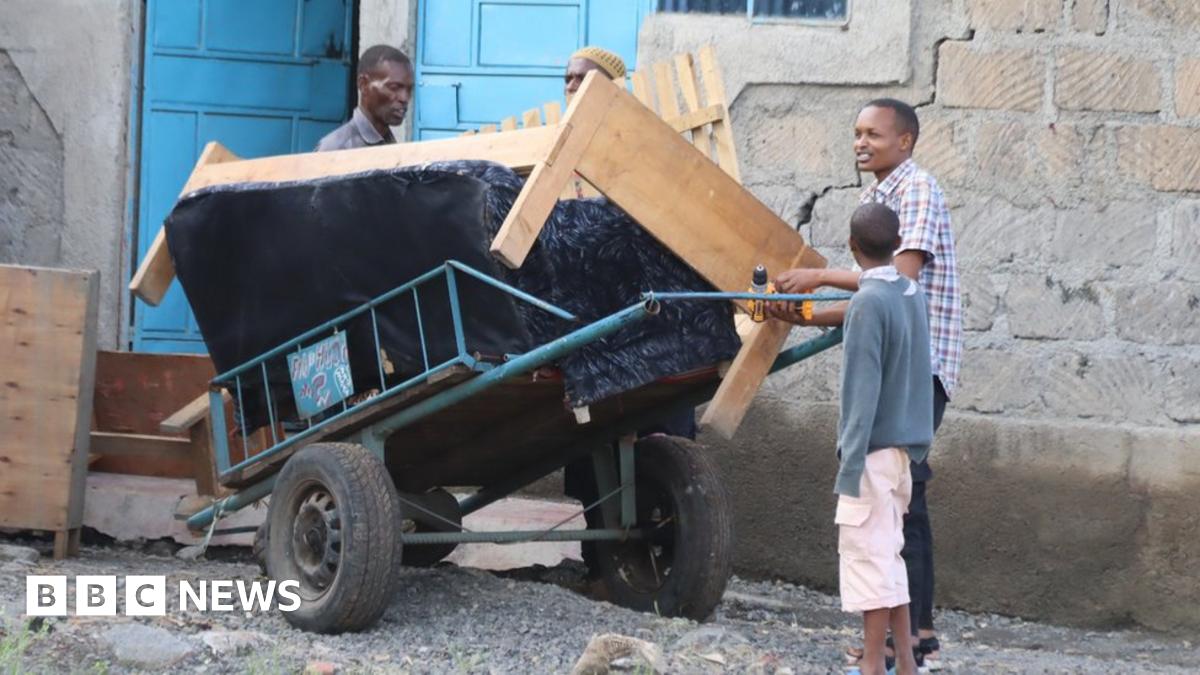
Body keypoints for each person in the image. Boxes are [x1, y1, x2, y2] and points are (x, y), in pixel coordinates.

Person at [771, 98, 962, 669]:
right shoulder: (876, 198)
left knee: (896, 507)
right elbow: (871, 302)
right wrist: (801, 311)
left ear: (905, 141)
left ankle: (907, 640)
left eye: (874, 134)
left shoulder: (918, 190)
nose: (861, 143)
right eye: (856, 133)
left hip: (915, 367)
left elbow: (892, 283)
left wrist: (820, 277)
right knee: (900, 505)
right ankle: (905, 646)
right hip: (900, 357)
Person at [831, 202, 932, 675]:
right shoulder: (911, 292)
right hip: (903, 452)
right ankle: (906, 663)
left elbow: (861, 390)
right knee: (889, 558)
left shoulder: (866, 303)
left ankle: (873, 664)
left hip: (871, 453)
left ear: (852, 248)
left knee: (869, 561)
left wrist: (848, 462)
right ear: (897, 245)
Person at [316, 44, 414, 152]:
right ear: (363, 85)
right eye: (394, 87)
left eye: (409, 90)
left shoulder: (389, 143)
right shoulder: (336, 148)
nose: (405, 98)